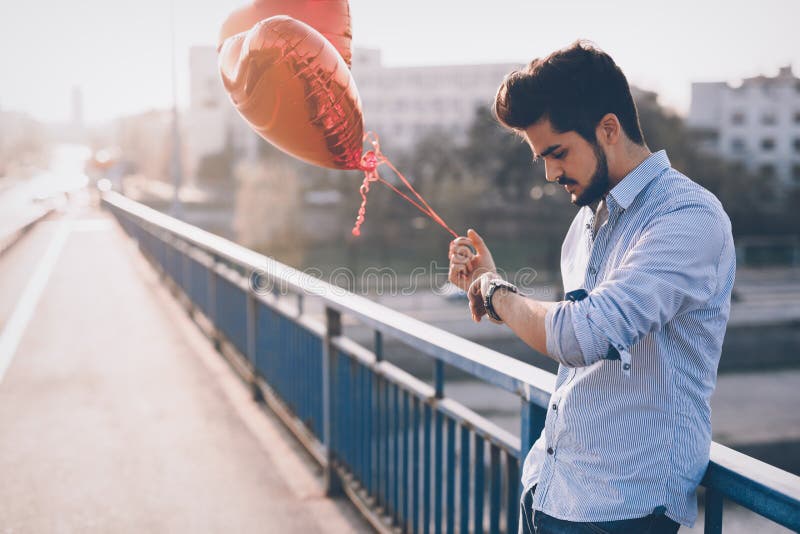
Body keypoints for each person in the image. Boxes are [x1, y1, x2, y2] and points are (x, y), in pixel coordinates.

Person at [448, 41, 735, 534]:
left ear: (608, 129)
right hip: (550, 490)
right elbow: (570, 338)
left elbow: (583, 334)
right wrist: (488, 285)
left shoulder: (688, 217)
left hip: (623, 511)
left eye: (557, 153)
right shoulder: (586, 221)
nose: (549, 173)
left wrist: (496, 292)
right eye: (541, 157)